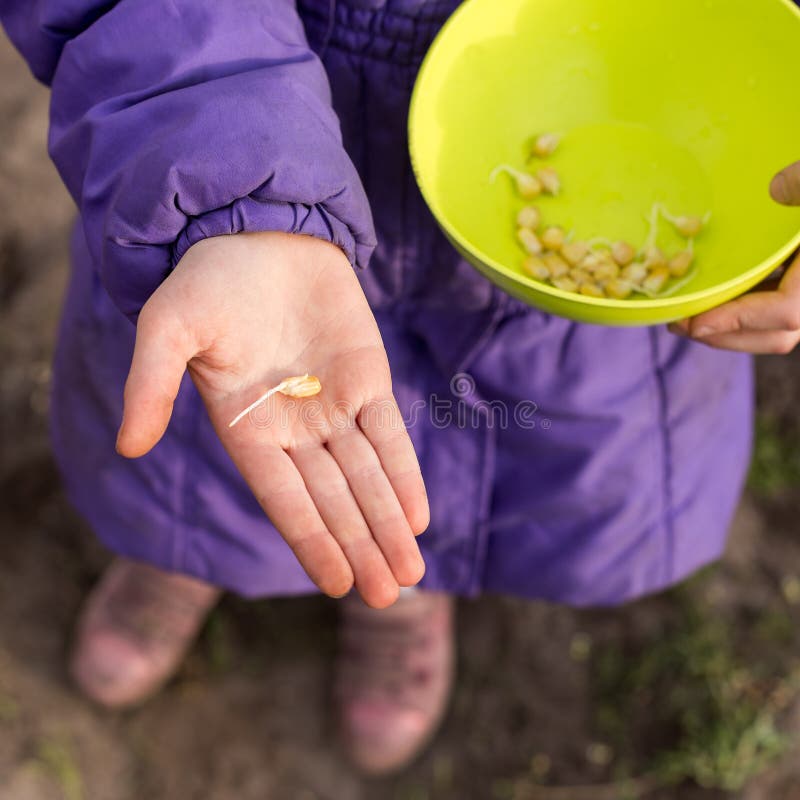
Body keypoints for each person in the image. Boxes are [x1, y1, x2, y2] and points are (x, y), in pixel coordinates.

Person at [1, 0, 799, 775]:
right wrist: (226, 184)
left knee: (469, 437)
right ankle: (178, 550)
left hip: (656, 94)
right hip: (265, 129)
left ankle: (410, 589)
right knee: (219, 412)